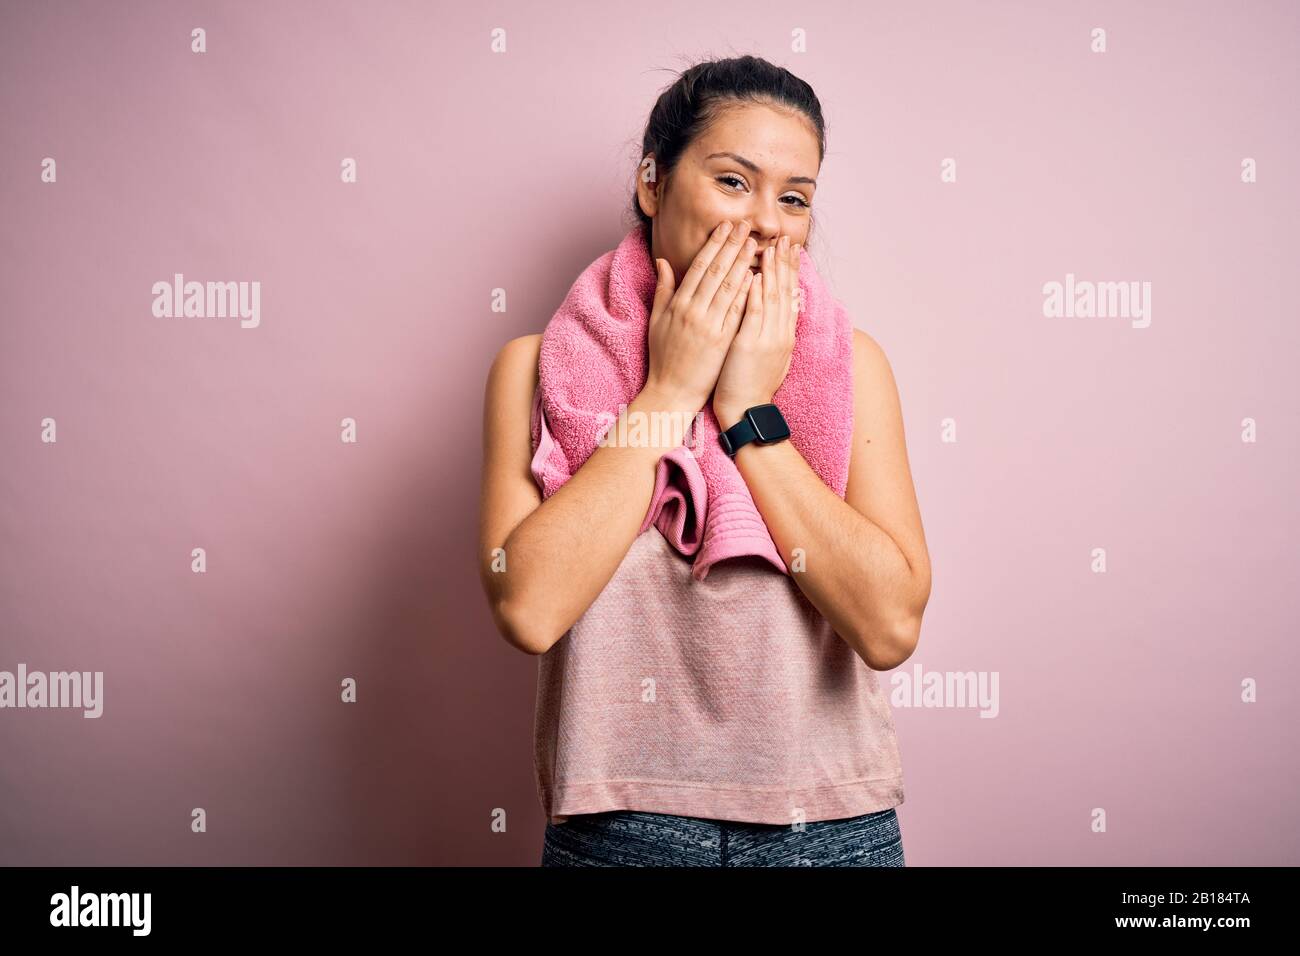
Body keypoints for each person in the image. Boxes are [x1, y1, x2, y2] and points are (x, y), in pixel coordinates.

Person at [478, 55, 931, 867]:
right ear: (653, 183)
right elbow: (529, 608)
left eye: (794, 199)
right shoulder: (534, 367)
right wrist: (669, 392)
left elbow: (889, 624)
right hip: (617, 828)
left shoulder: (852, 365)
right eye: (733, 181)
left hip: (829, 827)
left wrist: (749, 414)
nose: (767, 222)